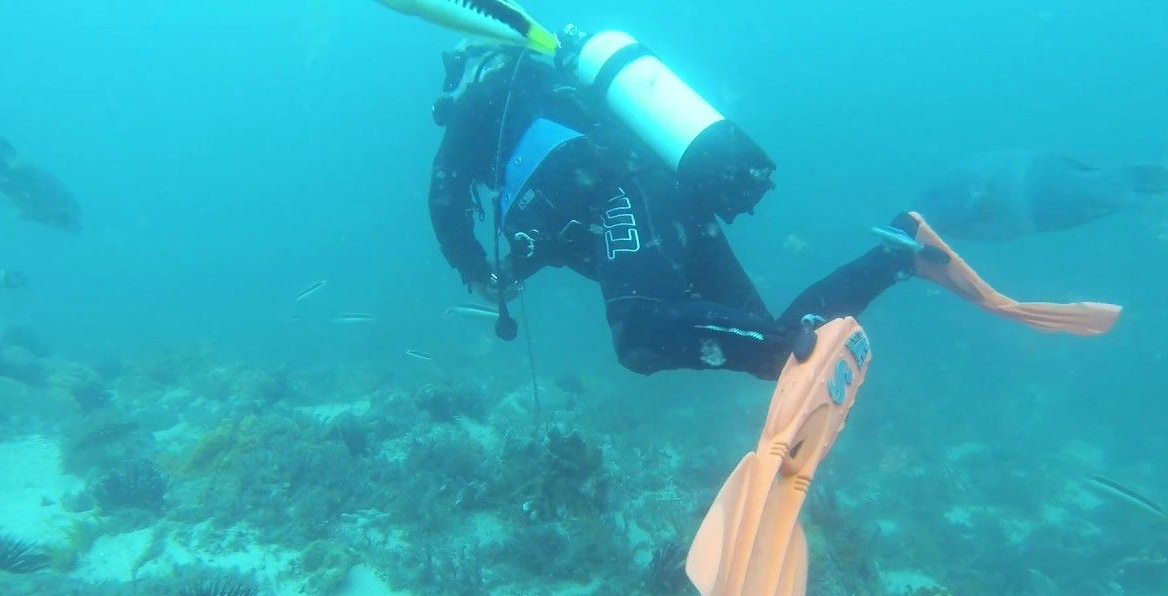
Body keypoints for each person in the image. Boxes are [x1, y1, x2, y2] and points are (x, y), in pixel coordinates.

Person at [425, 29, 1120, 382]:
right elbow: (564, 215)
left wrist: (470, 267)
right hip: (670, 199)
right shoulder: (553, 99)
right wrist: (510, 266)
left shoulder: (489, 93)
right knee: (767, 347)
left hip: (626, 195)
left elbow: (445, 197)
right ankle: (898, 253)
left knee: (639, 339)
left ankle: (836, 316)